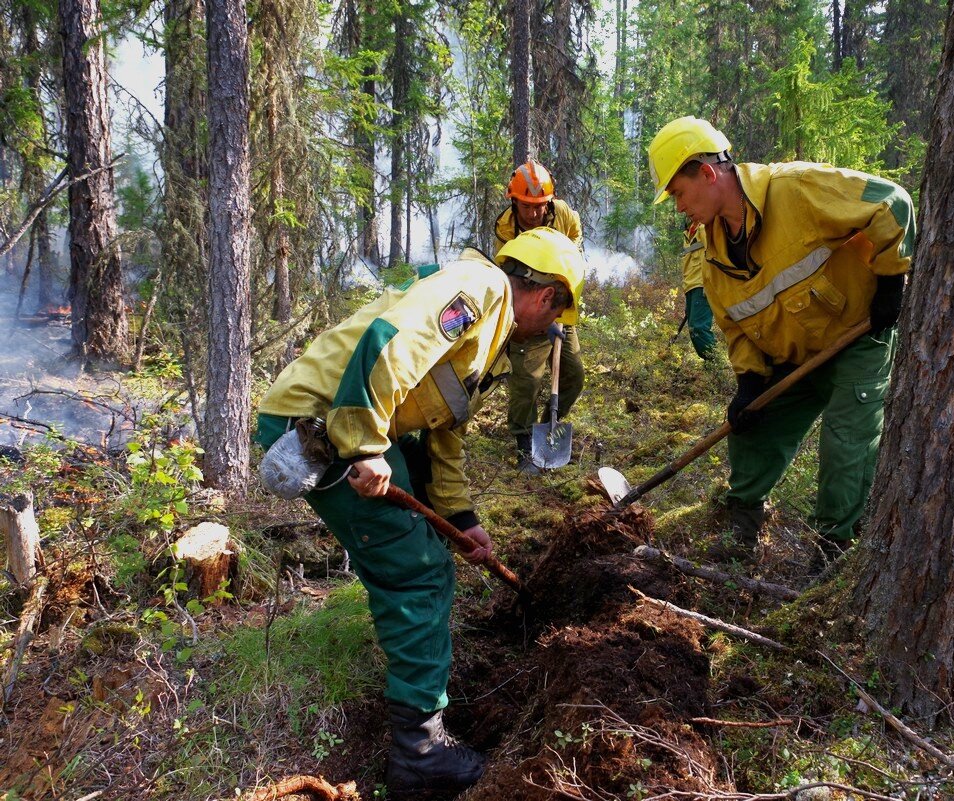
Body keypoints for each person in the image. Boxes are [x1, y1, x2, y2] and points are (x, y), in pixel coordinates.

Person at [255, 228, 584, 793]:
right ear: (548, 294)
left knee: (434, 553)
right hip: (322, 427)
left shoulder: (491, 328)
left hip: (358, 421)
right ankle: (420, 751)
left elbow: (443, 437)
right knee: (417, 574)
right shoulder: (478, 289)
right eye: (555, 316)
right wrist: (363, 445)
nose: (549, 331)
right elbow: (387, 341)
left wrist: (461, 520)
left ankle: (420, 730)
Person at [647, 116, 915, 562]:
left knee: (844, 448)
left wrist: (891, 281)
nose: (678, 207)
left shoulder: (796, 188)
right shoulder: (712, 257)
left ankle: (831, 552)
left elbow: (892, 201)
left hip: (855, 338)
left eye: (677, 192)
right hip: (790, 357)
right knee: (751, 430)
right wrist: (750, 381)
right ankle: (741, 534)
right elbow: (735, 325)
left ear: (707, 173)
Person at [493, 159, 585, 473]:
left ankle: (549, 427)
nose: (533, 214)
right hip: (530, 315)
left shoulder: (564, 216)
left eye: (539, 207)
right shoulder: (506, 229)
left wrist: (560, 295)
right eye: (526, 207)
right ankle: (523, 442)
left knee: (574, 375)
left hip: (558, 308)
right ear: (514, 202)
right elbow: (510, 277)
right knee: (525, 383)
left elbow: (574, 249)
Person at [680, 222, 717, 360]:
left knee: (698, 328)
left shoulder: (704, 228)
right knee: (693, 329)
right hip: (690, 287)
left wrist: (709, 284)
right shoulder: (687, 233)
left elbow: (714, 255)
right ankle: (712, 365)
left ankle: (716, 364)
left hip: (702, 284)